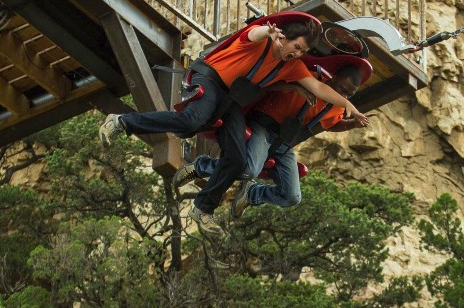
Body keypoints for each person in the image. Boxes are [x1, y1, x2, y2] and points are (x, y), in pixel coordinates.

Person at [99, 13, 370, 237]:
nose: (297, 54)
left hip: (232, 101)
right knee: (190, 122)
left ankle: (203, 209)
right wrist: (266, 32)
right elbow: (252, 34)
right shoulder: (259, 41)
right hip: (211, 80)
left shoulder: (294, 67)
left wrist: (350, 107)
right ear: (283, 38)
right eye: (296, 47)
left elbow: (318, 88)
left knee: (238, 159)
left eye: (303, 51)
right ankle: (122, 121)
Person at [174, 55, 373, 219]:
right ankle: (202, 166)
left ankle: (253, 194)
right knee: (248, 169)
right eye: (342, 88)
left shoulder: (338, 106)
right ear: (334, 77)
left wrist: (351, 124)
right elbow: (268, 85)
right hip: (263, 126)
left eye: (349, 93)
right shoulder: (309, 77)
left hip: (284, 144)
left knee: (292, 196)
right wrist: (294, 88)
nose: (344, 95)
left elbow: (331, 124)